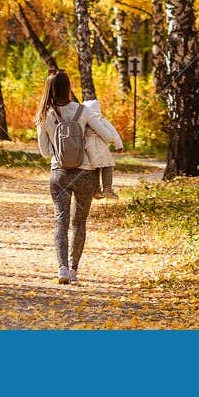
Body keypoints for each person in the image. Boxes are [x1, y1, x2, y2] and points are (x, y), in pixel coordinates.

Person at [36, 69, 122, 284]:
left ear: (48, 89)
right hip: (85, 174)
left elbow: (45, 152)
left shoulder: (44, 115)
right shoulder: (83, 111)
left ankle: (62, 268)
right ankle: (74, 269)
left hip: (59, 173)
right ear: (68, 87)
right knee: (79, 223)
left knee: (61, 221)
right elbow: (105, 134)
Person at [79, 97, 125, 198]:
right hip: (100, 148)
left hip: (86, 147)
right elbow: (113, 132)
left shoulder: (82, 119)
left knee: (94, 168)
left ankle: (96, 190)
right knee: (108, 166)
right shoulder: (101, 119)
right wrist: (119, 146)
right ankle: (107, 189)